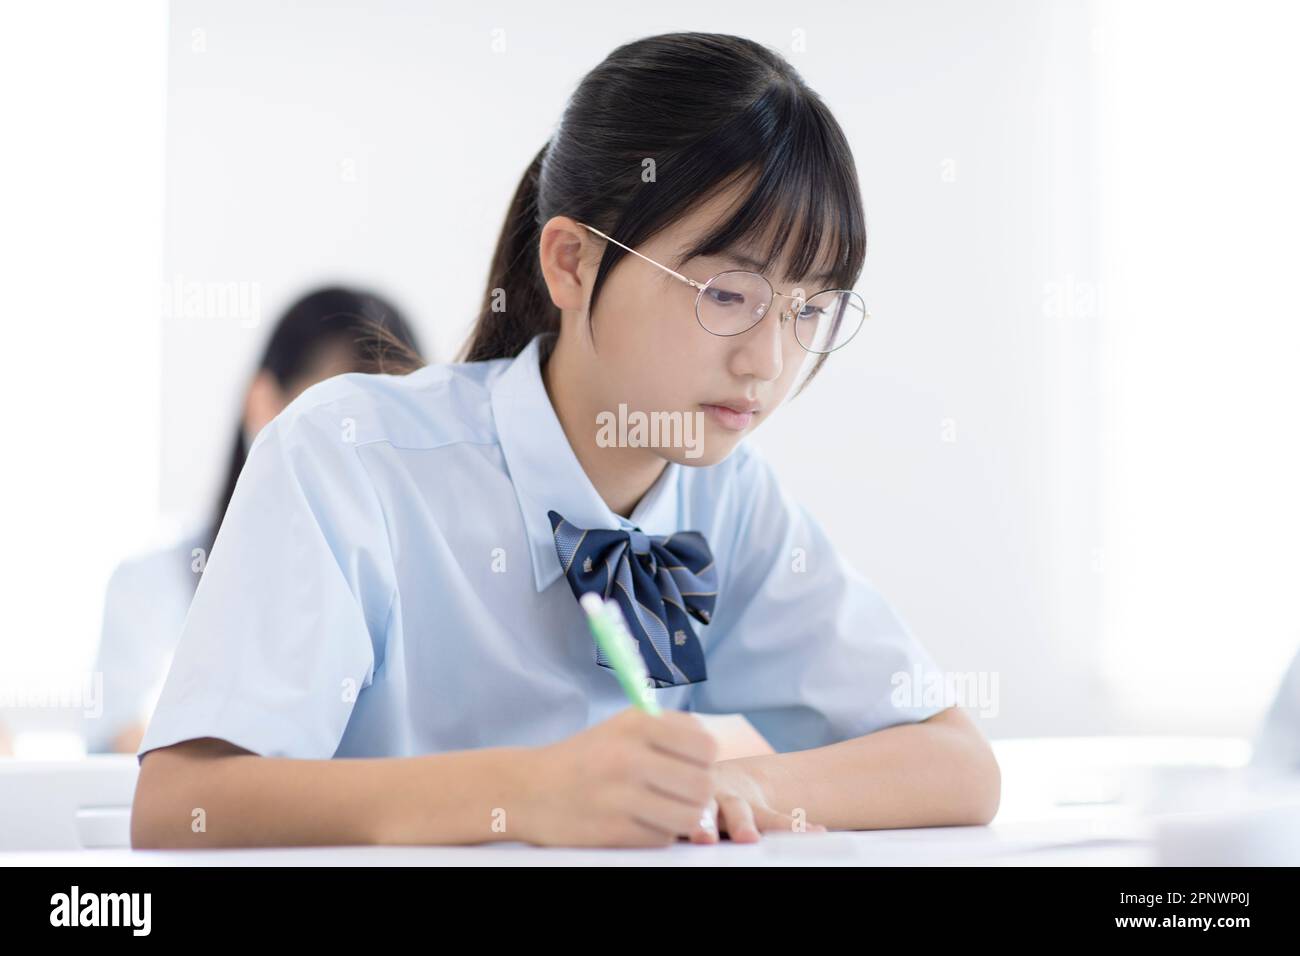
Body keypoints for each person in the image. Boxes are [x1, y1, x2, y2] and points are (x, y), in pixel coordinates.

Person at [132, 32, 1000, 849]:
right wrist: (530, 794)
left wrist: (744, 790)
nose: (768, 361)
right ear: (572, 263)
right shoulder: (351, 455)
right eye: (727, 294)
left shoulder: (730, 500)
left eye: (809, 309)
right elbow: (184, 803)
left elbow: (959, 766)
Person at [84, 287, 422, 754]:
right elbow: (133, 757)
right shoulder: (151, 586)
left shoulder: (426, 594)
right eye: (342, 425)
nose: (369, 462)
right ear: (264, 404)